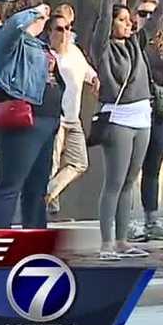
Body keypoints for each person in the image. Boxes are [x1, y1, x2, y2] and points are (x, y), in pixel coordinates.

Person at [88, 0, 163, 260]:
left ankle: (123, 240)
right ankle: (106, 243)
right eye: (123, 20)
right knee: (114, 181)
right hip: (119, 118)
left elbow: (155, 24)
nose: (129, 24)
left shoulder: (137, 43)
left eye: (129, 19)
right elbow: (103, 20)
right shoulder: (102, 47)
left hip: (143, 117)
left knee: (129, 182)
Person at [0, 0, 61, 230]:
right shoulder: (9, 39)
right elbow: (15, 25)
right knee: (10, 184)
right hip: (22, 119)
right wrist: (36, 10)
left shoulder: (39, 43)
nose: (43, 20)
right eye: (40, 15)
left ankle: (34, 243)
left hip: (46, 118)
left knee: (37, 189)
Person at [131, 0, 163, 241]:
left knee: (153, 168)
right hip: (135, 112)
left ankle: (151, 220)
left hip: (159, 111)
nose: (148, 18)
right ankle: (128, 221)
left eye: (152, 13)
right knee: (129, 170)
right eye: (142, 13)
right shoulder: (133, 40)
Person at [45, 13, 97, 216]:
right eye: (59, 29)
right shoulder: (48, 55)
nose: (65, 33)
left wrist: (94, 79)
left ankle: (49, 192)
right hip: (55, 117)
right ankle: (48, 206)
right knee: (52, 163)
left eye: (68, 28)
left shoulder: (75, 52)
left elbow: (86, 71)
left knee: (79, 162)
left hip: (73, 118)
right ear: (49, 32)